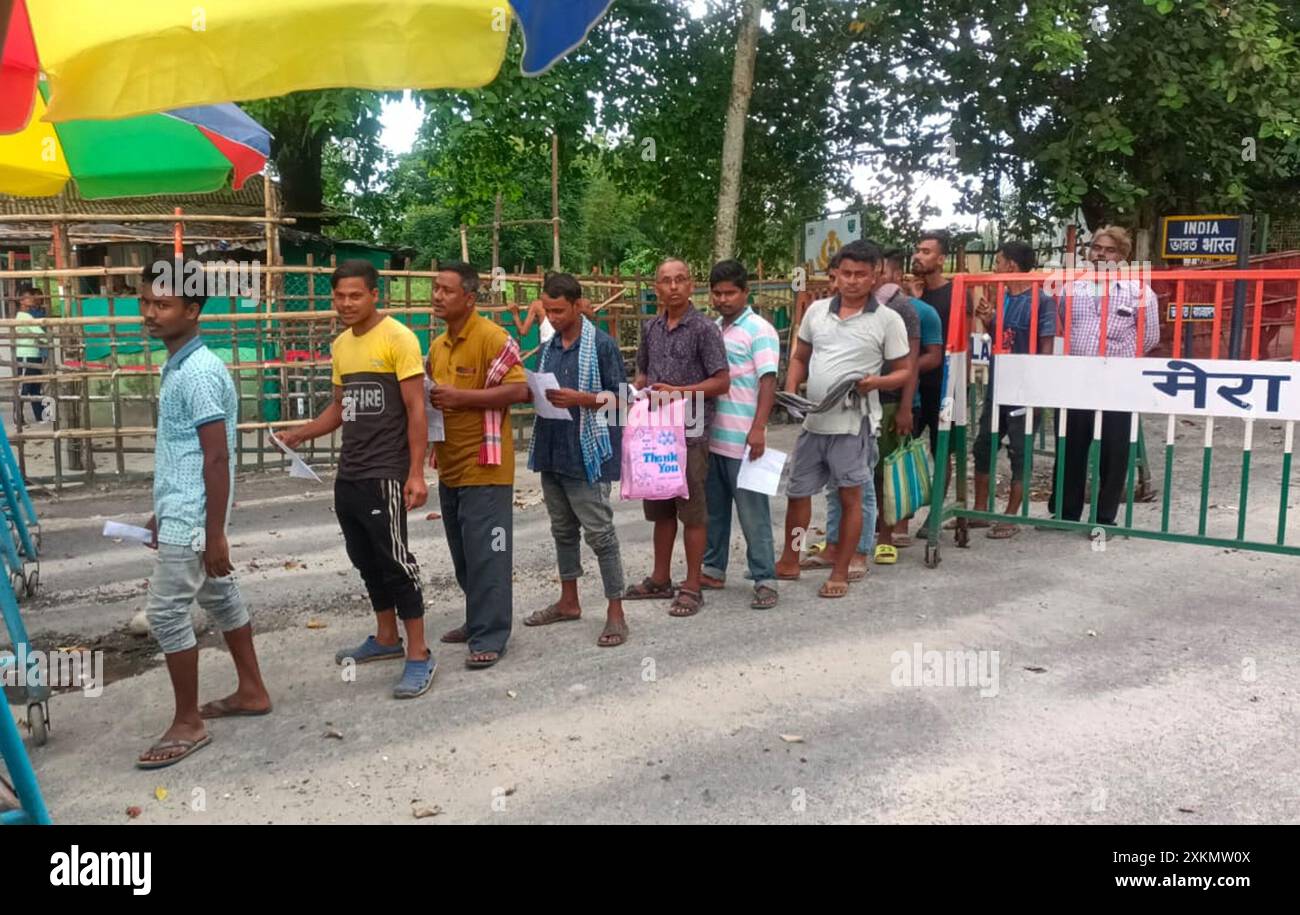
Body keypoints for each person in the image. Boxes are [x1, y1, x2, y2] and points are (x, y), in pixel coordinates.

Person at [135, 261, 271, 768]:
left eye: (162, 304)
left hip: (196, 518)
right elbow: (184, 453)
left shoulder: (198, 372)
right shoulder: (179, 364)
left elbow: (217, 456)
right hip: (185, 511)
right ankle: (252, 690)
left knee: (167, 613)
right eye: (145, 302)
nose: (149, 313)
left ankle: (187, 722)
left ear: (193, 311)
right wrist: (161, 512)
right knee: (219, 595)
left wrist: (213, 534)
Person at [278, 260, 435, 698]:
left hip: (386, 471)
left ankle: (419, 653)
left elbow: (416, 409)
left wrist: (416, 472)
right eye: (339, 296)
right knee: (365, 558)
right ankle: (386, 638)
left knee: (397, 561)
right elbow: (339, 407)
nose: (346, 304)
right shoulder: (342, 345)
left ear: (373, 296)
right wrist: (302, 433)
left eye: (355, 295)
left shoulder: (399, 338)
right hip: (350, 472)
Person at [775, 240, 910, 598]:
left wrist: (874, 383)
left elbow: (903, 371)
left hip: (853, 424)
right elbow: (800, 356)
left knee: (852, 497)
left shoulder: (888, 320)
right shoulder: (817, 312)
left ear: (875, 276)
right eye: (846, 273)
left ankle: (840, 570)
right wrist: (792, 389)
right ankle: (791, 556)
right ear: (835, 274)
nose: (851, 281)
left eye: (861, 274)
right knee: (798, 495)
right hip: (813, 422)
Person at [427, 261, 530, 668]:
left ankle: (491, 634)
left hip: (485, 466)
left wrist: (462, 399)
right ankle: (477, 620)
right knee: (464, 553)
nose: (437, 296)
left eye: (446, 290)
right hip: (450, 464)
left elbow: (519, 389)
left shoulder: (492, 337)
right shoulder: (438, 345)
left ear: (469, 299)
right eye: (436, 289)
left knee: (489, 551)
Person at [522, 273, 630, 647]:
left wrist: (581, 399)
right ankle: (569, 601)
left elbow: (623, 402)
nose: (551, 317)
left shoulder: (601, 345)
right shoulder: (550, 346)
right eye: (547, 311)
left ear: (578, 304)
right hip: (553, 449)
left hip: (588, 454)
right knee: (562, 531)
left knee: (600, 535)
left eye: (558, 310)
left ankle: (616, 611)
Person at [623, 258, 730, 618]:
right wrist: (636, 390)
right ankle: (660, 577)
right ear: (656, 288)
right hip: (655, 435)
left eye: (680, 280)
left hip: (690, 435)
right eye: (666, 281)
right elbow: (643, 370)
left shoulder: (703, 329)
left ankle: (693, 585)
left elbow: (721, 381)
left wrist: (678, 392)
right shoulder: (651, 327)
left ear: (691, 284)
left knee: (692, 512)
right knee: (660, 509)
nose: (673, 287)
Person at [1050, 226, 1159, 526]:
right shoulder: (1072, 288)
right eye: (1097, 247)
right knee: (1070, 445)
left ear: (1122, 257)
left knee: (1114, 451)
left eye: (1109, 250)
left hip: (1117, 382)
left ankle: (1104, 518)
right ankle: (1065, 513)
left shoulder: (1140, 293)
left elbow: (1148, 339)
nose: (1100, 254)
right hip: (1077, 378)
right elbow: (1063, 325)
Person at [699, 259, 781, 610]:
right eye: (717, 293)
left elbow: (768, 379)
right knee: (713, 511)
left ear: (745, 293)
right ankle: (713, 569)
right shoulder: (714, 328)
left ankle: (765, 578)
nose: (723, 299)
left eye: (730, 292)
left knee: (753, 514)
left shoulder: (759, 330)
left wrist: (759, 427)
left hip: (745, 439)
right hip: (713, 438)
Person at [972, 241, 1056, 538]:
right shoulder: (1005, 297)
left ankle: (1011, 515)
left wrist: (1037, 386)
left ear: (1011, 265)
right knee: (983, 444)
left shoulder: (1042, 299)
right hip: (999, 382)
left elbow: (1046, 346)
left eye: (998, 261)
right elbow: (1002, 337)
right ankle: (980, 511)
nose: (995, 268)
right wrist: (990, 320)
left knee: (1020, 450)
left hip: (1025, 386)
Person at [911, 230, 957, 539]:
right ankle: (899, 513)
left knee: (941, 451)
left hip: (945, 385)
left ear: (941, 260)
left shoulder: (956, 293)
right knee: (904, 450)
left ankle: (936, 514)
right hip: (911, 386)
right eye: (917, 250)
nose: (918, 255)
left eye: (926, 251)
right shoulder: (908, 295)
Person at [14, 285, 48, 422]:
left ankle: (41, 416)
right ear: (21, 300)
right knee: (25, 388)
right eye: (29, 297)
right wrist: (46, 336)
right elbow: (43, 336)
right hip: (26, 355)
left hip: (33, 354)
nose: (32, 299)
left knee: (34, 387)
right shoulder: (24, 316)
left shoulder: (26, 315)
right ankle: (18, 416)